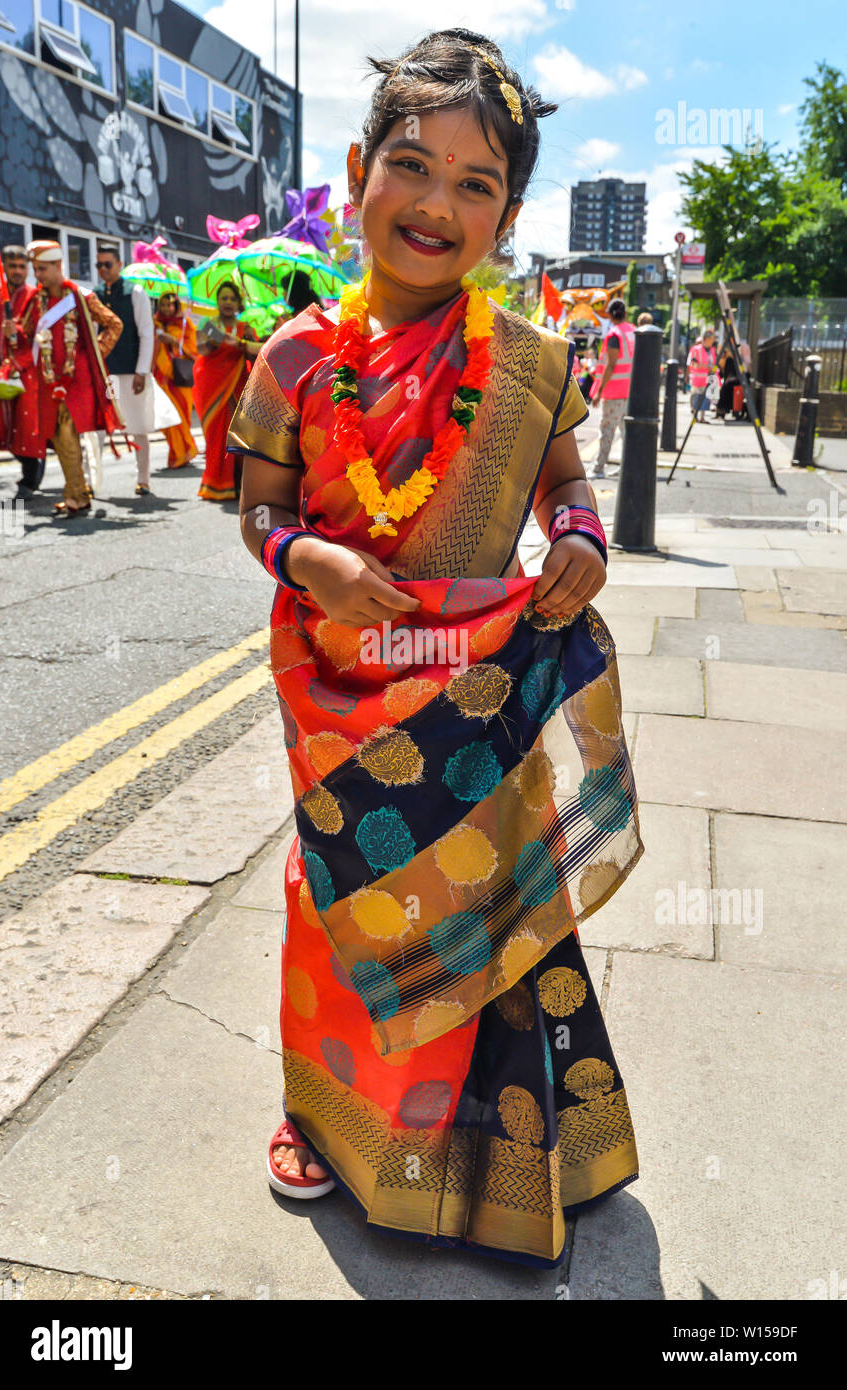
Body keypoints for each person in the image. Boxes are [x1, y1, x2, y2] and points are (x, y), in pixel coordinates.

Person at [231, 27, 643, 1270]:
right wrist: (304, 560)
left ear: (506, 215)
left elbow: (567, 487)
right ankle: (331, 1117)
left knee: (490, 909)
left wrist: (576, 537)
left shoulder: (526, 362)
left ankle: (489, 1152)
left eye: (475, 185)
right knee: (337, 908)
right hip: (338, 686)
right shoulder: (290, 357)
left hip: (480, 685)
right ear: (360, 168)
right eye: (413, 165)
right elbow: (259, 506)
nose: (436, 204)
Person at [19, 241, 122, 517]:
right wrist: (10, 331)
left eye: (42, 268)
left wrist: (92, 356)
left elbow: (114, 324)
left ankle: (76, 495)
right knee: (59, 437)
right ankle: (78, 492)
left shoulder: (81, 296)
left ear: (57, 265)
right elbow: (25, 333)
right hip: (48, 381)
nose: (37, 274)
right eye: (35, 268)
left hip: (76, 383)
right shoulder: (35, 299)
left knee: (65, 434)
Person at [88, 245, 156, 496]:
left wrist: (142, 371)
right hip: (105, 373)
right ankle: (91, 482)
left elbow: (146, 333)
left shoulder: (135, 292)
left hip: (131, 370)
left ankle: (143, 479)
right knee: (98, 429)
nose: (103, 270)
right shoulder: (92, 295)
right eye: (99, 265)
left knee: (137, 426)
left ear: (119, 265)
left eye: (108, 264)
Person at [0, 244, 46, 499]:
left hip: (28, 373)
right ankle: (30, 466)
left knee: (28, 425)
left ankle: (30, 476)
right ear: (3, 267)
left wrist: (16, 334)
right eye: (13, 266)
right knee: (4, 428)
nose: (18, 271)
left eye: (22, 266)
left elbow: (41, 335)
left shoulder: (36, 297)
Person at [193, 280, 259, 501]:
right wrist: (213, 342)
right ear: (218, 301)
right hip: (211, 387)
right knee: (215, 436)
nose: (228, 303)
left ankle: (238, 484)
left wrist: (243, 342)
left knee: (238, 434)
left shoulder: (245, 327)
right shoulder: (207, 325)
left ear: (238, 302)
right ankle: (215, 483)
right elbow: (200, 349)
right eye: (224, 298)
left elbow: (255, 356)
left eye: (232, 298)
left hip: (238, 386)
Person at [588, 297, 635, 478]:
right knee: (626, 433)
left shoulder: (614, 335)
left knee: (607, 430)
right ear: (625, 313)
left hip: (614, 391)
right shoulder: (632, 331)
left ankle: (598, 468)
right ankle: (628, 468)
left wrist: (599, 391)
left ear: (610, 315)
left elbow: (611, 364)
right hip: (630, 390)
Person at [152, 293, 198, 468]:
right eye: (162, 305)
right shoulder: (154, 325)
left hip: (181, 378)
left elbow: (194, 351)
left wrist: (173, 340)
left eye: (170, 305)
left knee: (182, 417)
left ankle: (182, 452)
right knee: (165, 417)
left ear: (176, 306)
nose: (166, 308)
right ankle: (180, 451)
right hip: (161, 378)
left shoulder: (187, 326)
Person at [687, 328, 719, 423]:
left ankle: (702, 417)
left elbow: (714, 362)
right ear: (706, 339)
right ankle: (695, 415)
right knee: (697, 397)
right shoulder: (696, 349)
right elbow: (692, 363)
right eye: (712, 339)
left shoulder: (713, 350)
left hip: (708, 378)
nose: (713, 341)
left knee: (706, 398)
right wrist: (706, 367)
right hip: (698, 378)